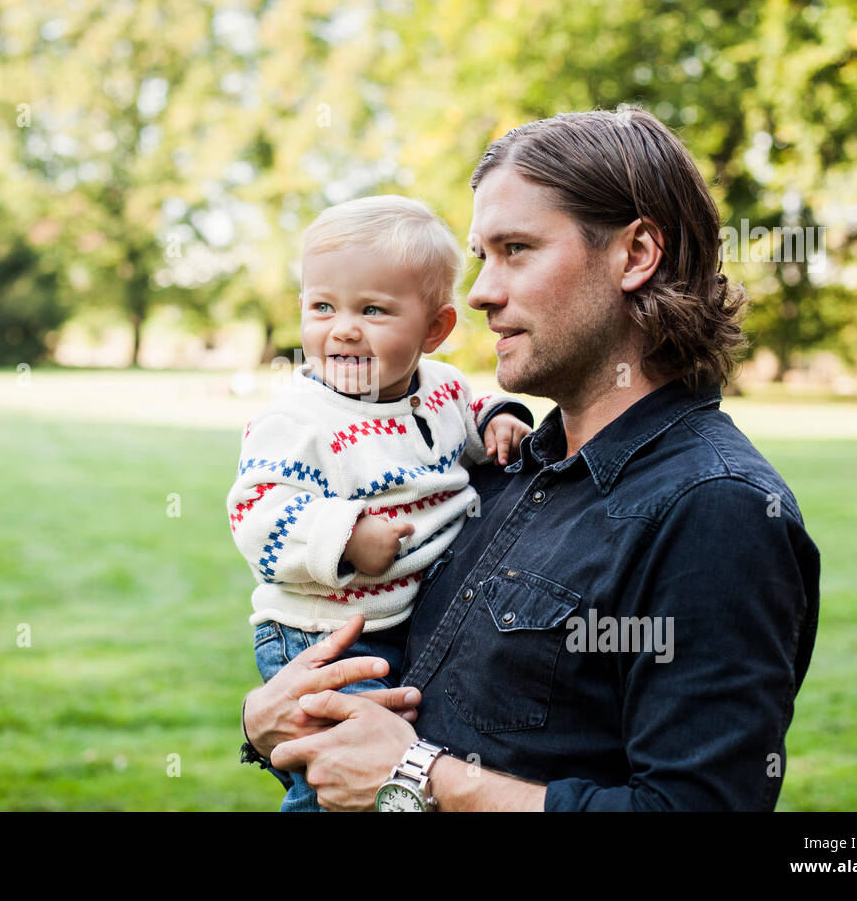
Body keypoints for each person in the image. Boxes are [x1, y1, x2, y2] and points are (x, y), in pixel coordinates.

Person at [240, 107, 821, 811]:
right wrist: (266, 722)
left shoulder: (716, 510)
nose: (480, 293)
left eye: (516, 249)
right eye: (483, 256)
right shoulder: (498, 464)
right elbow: (374, 732)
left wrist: (421, 778)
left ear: (635, 256)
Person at [227, 195, 534, 811]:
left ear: (434, 329)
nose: (342, 328)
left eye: (372, 309)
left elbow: (466, 421)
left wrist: (500, 419)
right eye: (322, 307)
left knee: (384, 771)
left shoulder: (442, 387)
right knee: (334, 777)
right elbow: (256, 510)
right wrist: (345, 536)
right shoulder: (298, 418)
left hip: (401, 620)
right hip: (323, 634)